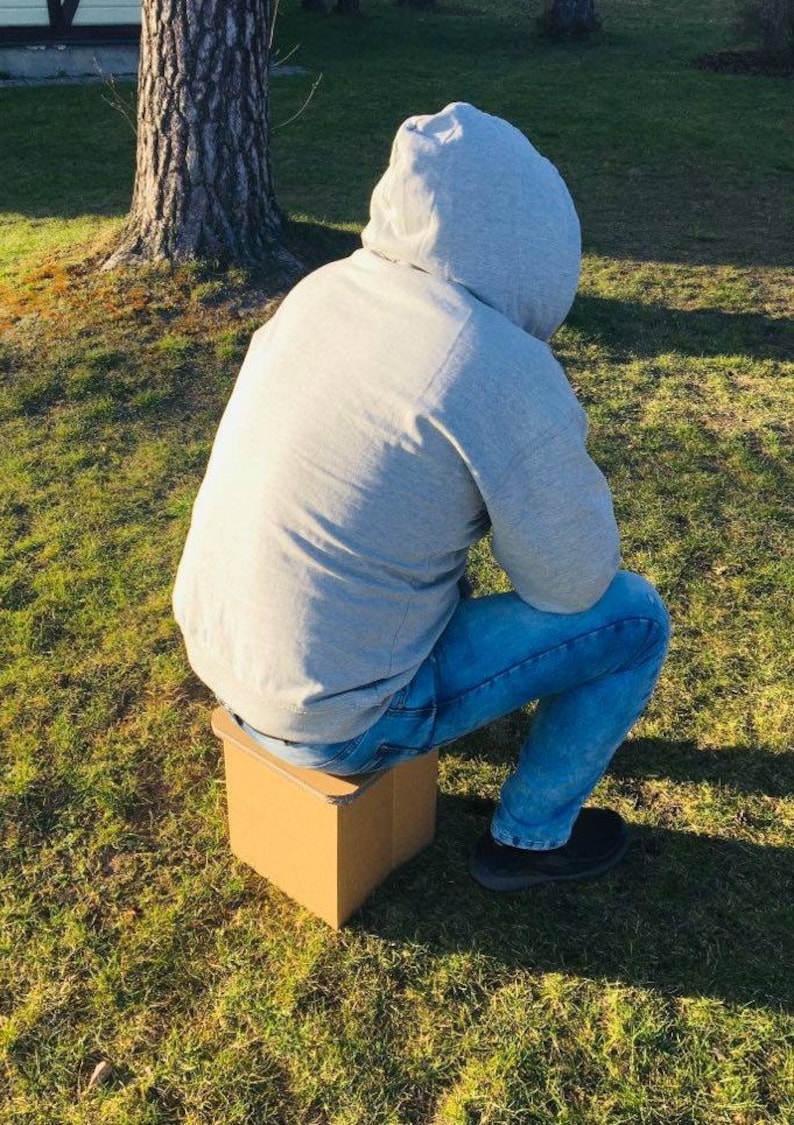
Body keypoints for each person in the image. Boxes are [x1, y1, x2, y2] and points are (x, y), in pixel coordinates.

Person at [173, 103, 670, 891]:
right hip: (336, 717)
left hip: (222, 654)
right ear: (535, 240)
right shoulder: (499, 363)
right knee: (636, 619)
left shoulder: (323, 290)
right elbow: (574, 583)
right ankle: (532, 837)